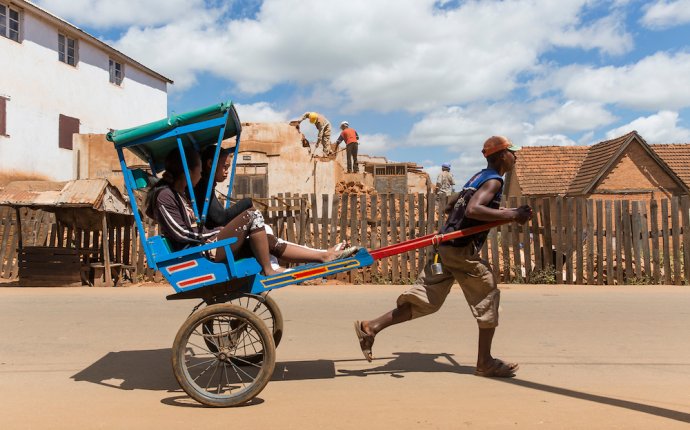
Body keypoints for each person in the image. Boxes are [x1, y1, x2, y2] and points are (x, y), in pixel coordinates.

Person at [353, 136, 532, 378]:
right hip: (461, 250)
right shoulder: (494, 181)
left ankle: (371, 327)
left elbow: (452, 206)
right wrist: (512, 213)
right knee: (487, 294)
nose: (515, 157)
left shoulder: (476, 178)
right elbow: (472, 209)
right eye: (512, 152)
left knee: (426, 300)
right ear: (501, 155)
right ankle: (485, 361)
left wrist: (485, 215)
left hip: (447, 246)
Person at [192, 145, 359, 265]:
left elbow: (217, 218)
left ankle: (323, 255)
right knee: (257, 222)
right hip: (212, 247)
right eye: (225, 166)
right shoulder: (202, 186)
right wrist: (246, 203)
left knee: (270, 240)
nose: (227, 171)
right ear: (209, 164)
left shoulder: (205, 186)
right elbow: (219, 218)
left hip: (216, 242)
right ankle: (319, 256)